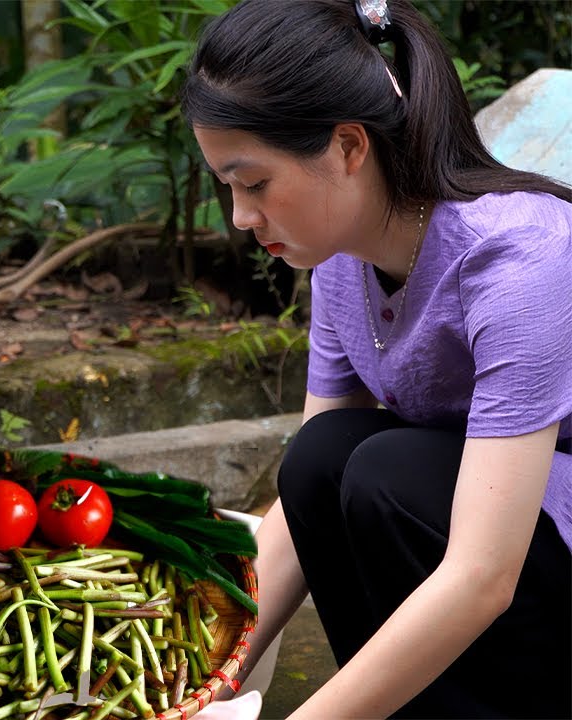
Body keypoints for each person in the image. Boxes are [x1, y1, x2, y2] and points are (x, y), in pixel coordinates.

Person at [180, 0, 572, 717]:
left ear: (348, 147)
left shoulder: (518, 259)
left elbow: (485, 573)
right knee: (323, 455)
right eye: (227, 186)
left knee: (386, 474)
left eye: (254, 183)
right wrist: (193, 678)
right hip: (499, 563)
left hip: (539, 576)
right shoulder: (340, 262)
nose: (239, 217)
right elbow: (307, 505)